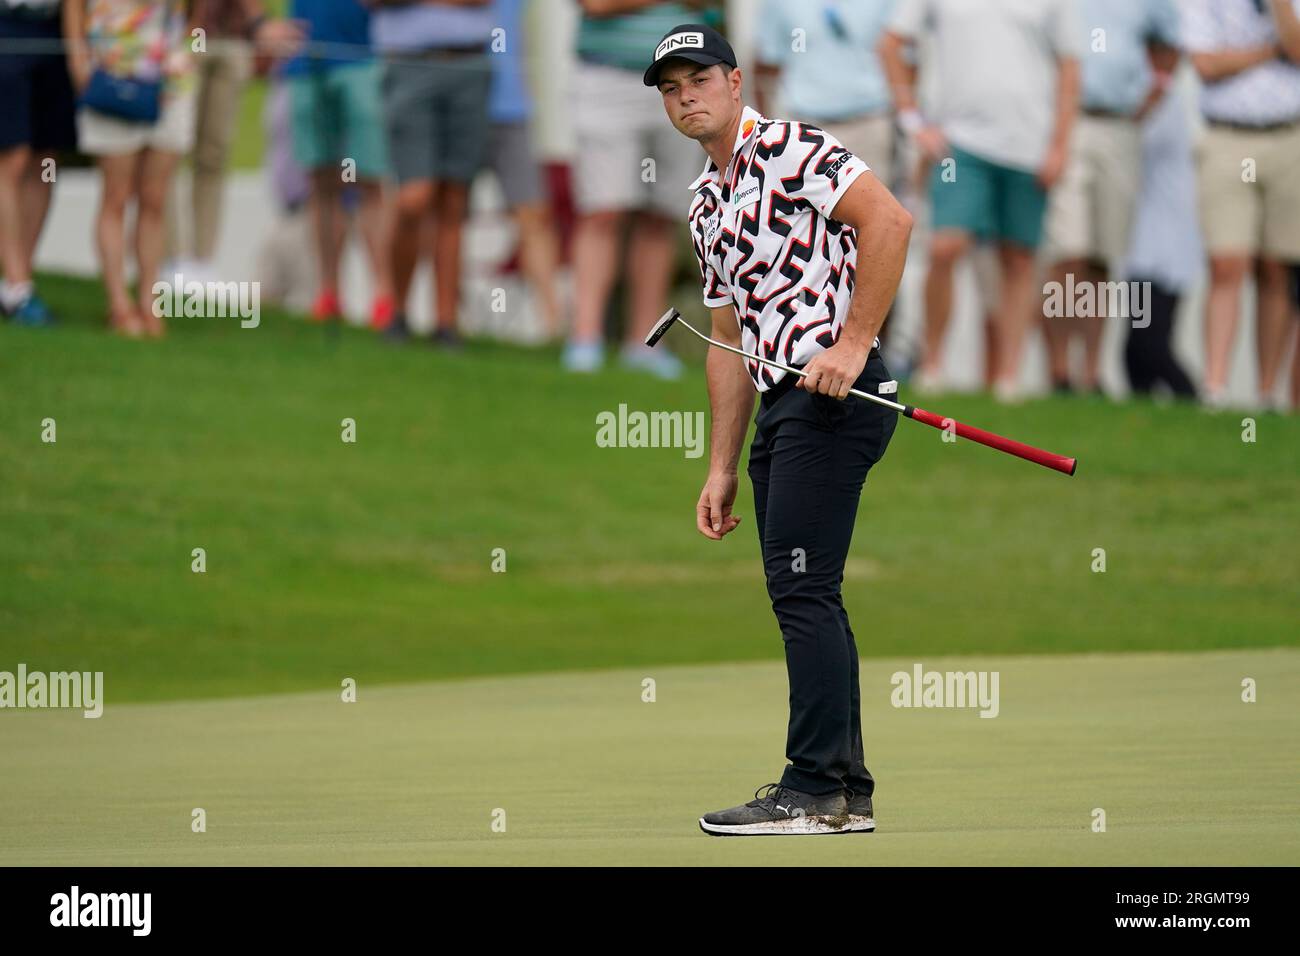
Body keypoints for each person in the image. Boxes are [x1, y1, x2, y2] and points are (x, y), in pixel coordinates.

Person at [647, 24, 914, 835]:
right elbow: (727, 340)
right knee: (808, 590)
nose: (684, 96)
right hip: (781, 404)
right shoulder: (702, 203)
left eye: (697, 79)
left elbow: (890, 222)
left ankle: (811, 788)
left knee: (803, 589)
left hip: (839, 395)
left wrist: (853, 340)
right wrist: (720, 465)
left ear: (735, 81)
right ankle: (845, 790)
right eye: (669, 87)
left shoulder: (797, 148)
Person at [879, 0, 1082, 402]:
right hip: (960, 143)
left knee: (1020, 258)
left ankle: (1008, 378)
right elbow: (890, 43)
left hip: (1030, 145)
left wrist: (1059, 145)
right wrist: (912, 118)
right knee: (945, 248)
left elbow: (1070, 68)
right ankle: (932, 366)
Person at [563, 0, 716, 377]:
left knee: (660, 217)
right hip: (607, 77)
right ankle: (585, 338)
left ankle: (644, 344)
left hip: (682, 78)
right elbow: (597, 5)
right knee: (604, 210)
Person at [1042, 0, 1180, 396]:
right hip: (1068, 121)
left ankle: (1090, 373)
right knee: (1067, 250)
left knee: (1102, 255)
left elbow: (1170, 44)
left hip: (1120, 125)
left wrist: (1152, 97)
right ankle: (1059, 371)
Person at [1183, 0, 1300, 411]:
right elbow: (1206, 65)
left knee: (1276, 266)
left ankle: (1266, 394)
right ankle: (1215, 388)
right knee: (1227, 263)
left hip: (1289, 136)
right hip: (1227, 136)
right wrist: (1271, 52)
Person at [372, 0, 493, 346]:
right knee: (414, 197)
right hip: (409, 63)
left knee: (454, 198)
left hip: (470, 62)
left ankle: (446, 324)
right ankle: (397, 313)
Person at [285, 0, 393, 329]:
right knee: (322, 183)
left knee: (369, 179)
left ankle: (385, 296)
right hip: (307, 62)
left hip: (361, 58)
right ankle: (329, 292)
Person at [753, 0, 900, 190]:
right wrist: (764, 130)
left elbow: (902, 54)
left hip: (869, 124)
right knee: (805, 215)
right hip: (804, 129)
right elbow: (766, 63)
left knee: (873, 213)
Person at [483, 0, 561, 341]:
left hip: (511, 109)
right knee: (444, 209)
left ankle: (552, 325)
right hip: (456, 101)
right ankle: (444, 322)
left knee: (533, 213)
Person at [0, 0, 78, 326]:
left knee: (46, 160)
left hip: (56, 27)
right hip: (8, 24)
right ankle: (17, 284)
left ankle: (18, 283)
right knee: (11, 157)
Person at [1123, 89, 1199, 401]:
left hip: (1164, 255)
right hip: (1145, 250)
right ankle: (1144, 419)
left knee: (1151, 347)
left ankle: (1192, 401)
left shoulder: (1167, 101)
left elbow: (1137, 140)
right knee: (1134, 353)